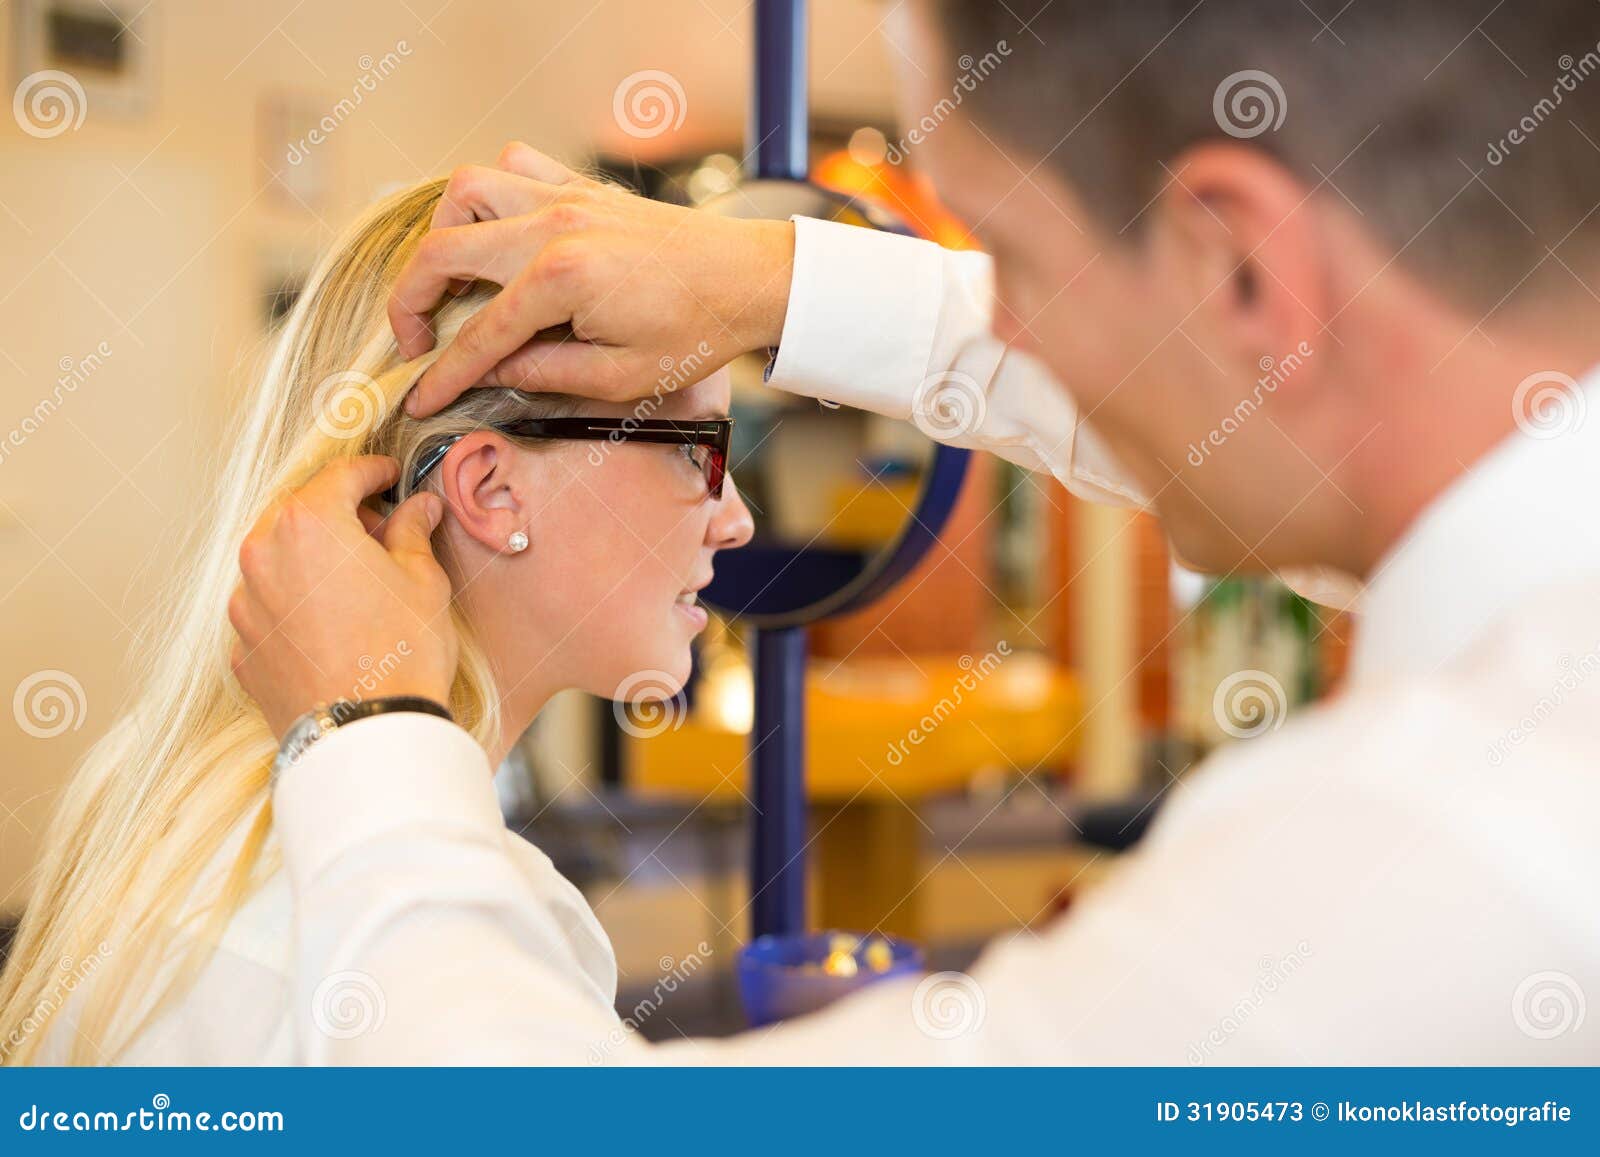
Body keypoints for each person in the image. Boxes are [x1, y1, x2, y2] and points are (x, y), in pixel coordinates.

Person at [236, 0, 1600, 1062]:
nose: (1000, 327)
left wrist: (364, 743)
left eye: (1009, 257)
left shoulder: (1444, 849)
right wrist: (773, 277)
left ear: (1244, 267)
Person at [0, 178, 753, 1064]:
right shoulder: (460, 930)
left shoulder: (178, 796)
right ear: (490, 488)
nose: (736, 517)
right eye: (701, 452)